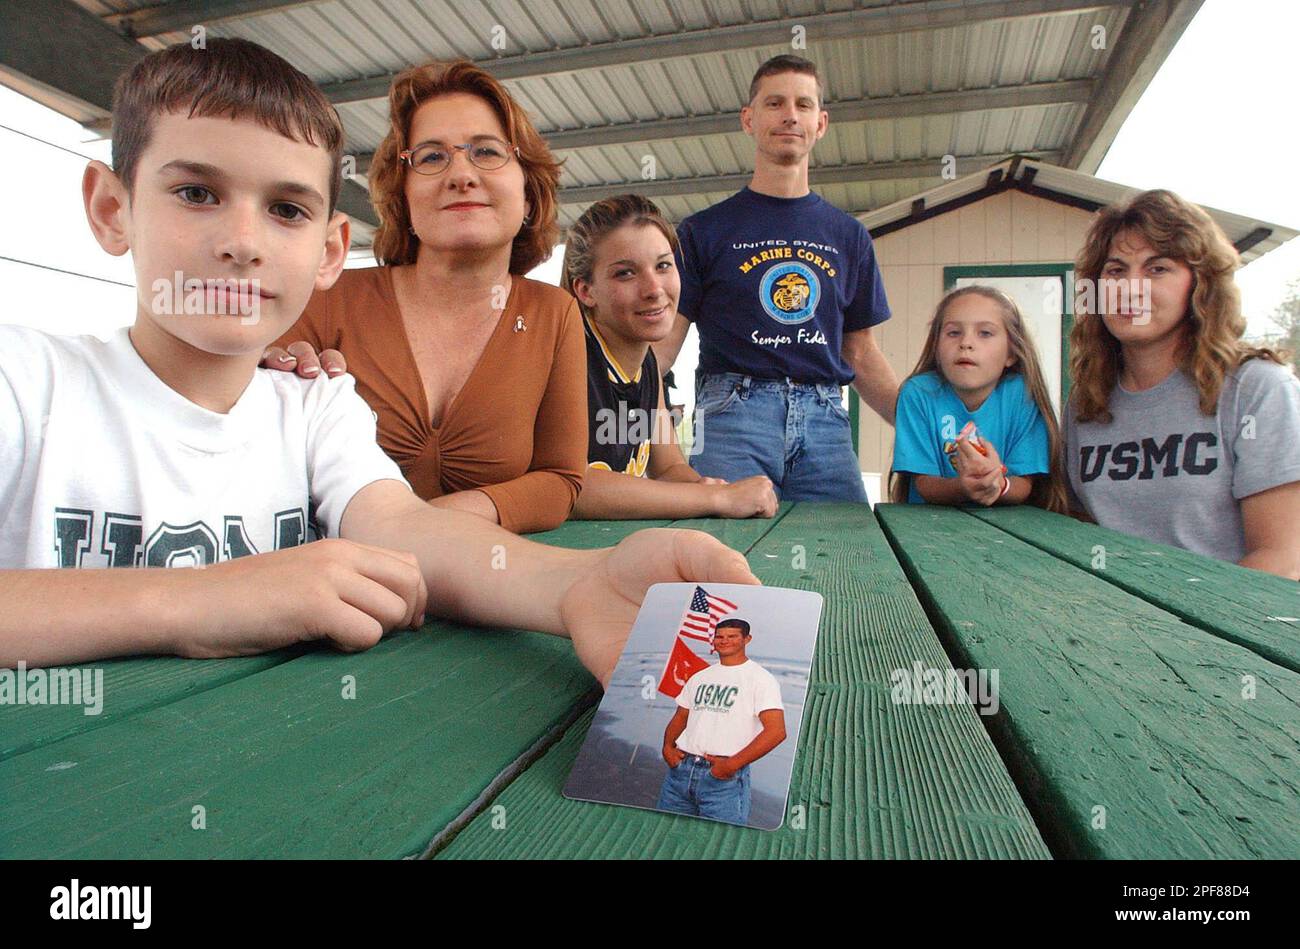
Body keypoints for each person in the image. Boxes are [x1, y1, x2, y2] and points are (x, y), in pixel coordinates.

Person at [0, 38, 759, 686]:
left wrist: (579, 582)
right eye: (197, 191)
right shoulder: (26, 382)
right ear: (110, 208)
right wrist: (203, 600)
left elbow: (402, 527)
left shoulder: (320, 406)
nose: (243, 239)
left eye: (286, 208)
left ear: (329, 248)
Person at [262, 60, 584, 534]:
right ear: (404, 196)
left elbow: (560, 481)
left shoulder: (555, 314)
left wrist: (420, 525)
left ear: (529, 194)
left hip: (486, 585)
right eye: (432, 158)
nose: (461, 174)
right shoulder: (326, 295)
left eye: (487, 152)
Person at [652, 54, 898, 502]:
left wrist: (936, 430)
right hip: (729, 417)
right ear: (749, 119)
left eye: (803, 105)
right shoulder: (700, 232)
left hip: (825, 419)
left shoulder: (850, 236)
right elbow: (662, 350)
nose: (790, 115)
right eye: (775, 103)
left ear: (820, 123)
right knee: (727, 556)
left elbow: (861, 355)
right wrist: (607, 413)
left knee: (845, 557)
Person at [1066, 189, 1300, 578]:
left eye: (1157, 269)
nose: (1130, 287)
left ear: (1200, 284)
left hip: (1225, 629)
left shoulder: (1257, 389)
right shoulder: (1086, 401)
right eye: (1115, 270)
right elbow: (1078, 528)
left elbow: (1283, 559)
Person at [561, 194, 778, 520]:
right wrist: (716, 500)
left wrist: (710, 488)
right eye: (625, 273)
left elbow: (668, 467)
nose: (654, 288)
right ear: (585, 290)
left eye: (663, 265)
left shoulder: (647, 362)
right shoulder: (568, 355)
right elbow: (572, 486)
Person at [889, 286, 1065, 510]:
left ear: (1011, 354)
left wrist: (998, 485)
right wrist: (965, 487)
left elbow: (1024, 484)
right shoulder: (917, 394)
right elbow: (924, 484)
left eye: (985, 333)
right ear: (936, 348)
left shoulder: (1023, 395)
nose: (966, 343)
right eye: (953, 333)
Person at [657, 619, 786, 825]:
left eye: (732, 636)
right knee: (666, 832)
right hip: (681, 771)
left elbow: (776, 731)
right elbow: (681, 716)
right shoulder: (700, 677)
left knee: (719, 841)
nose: (724, 641)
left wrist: (730, 765)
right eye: (719, 636)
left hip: (722, 777)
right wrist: (667, 748)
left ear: (747, 639)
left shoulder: (760, 679)